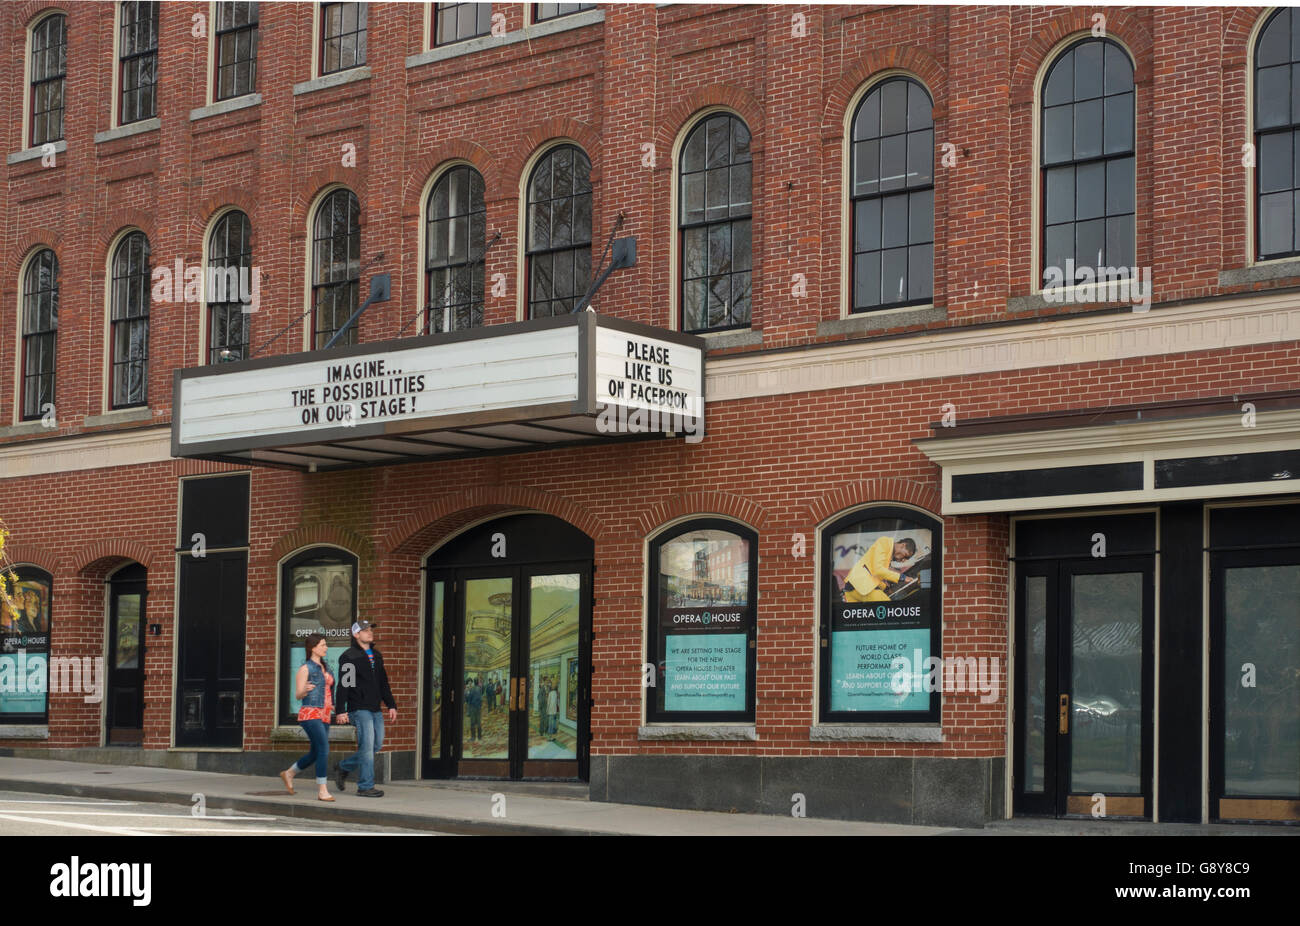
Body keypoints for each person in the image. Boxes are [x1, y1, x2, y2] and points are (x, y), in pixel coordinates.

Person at [334, 620, 397, 798]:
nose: (370, 633)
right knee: (367, 746)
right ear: (356, 635)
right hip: (359, 708)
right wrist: (341, 710)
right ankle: (365, 786)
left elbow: (383, 683)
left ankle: (343, 767)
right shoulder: (350, 656)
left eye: (370, 630)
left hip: (375, 708)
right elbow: (344, 685)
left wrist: (391, 704)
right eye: (365, 630)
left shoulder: (376, 655)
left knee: (376, 744)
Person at [280, 633, 335, 802]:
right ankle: (322, 790)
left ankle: (289, 773)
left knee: (315, 752)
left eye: (326, 645)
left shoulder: (326, 667)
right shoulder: (305, 668)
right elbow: (297, 694)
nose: (326, 648)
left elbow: (328, 689)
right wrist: (305, 690)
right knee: (324, 749)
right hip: (310, 713)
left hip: (325, 714)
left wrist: (332, 704)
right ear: (313, 647)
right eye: (323, 645)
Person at [843, 537, 917, 602]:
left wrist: (886, 589)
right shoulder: (885, 542)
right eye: (906, 556)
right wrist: (902, 577)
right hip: (862, 586)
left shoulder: (887, 555)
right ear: (903, 545)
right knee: (889, 611)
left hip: (854, 587)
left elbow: (873, 574)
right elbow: (878, 571)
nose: (904, 560)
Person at [465, 675, 483, 741]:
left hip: (473, 708)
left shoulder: (472, 689)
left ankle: (473, 737)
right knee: (478, 722)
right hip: (478, 707)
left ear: (473, 682)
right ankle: (479, 737)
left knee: (472, 722)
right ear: (478, 682)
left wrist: (467, 693)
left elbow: (468, 699)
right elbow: (480, 699)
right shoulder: (480, 689)